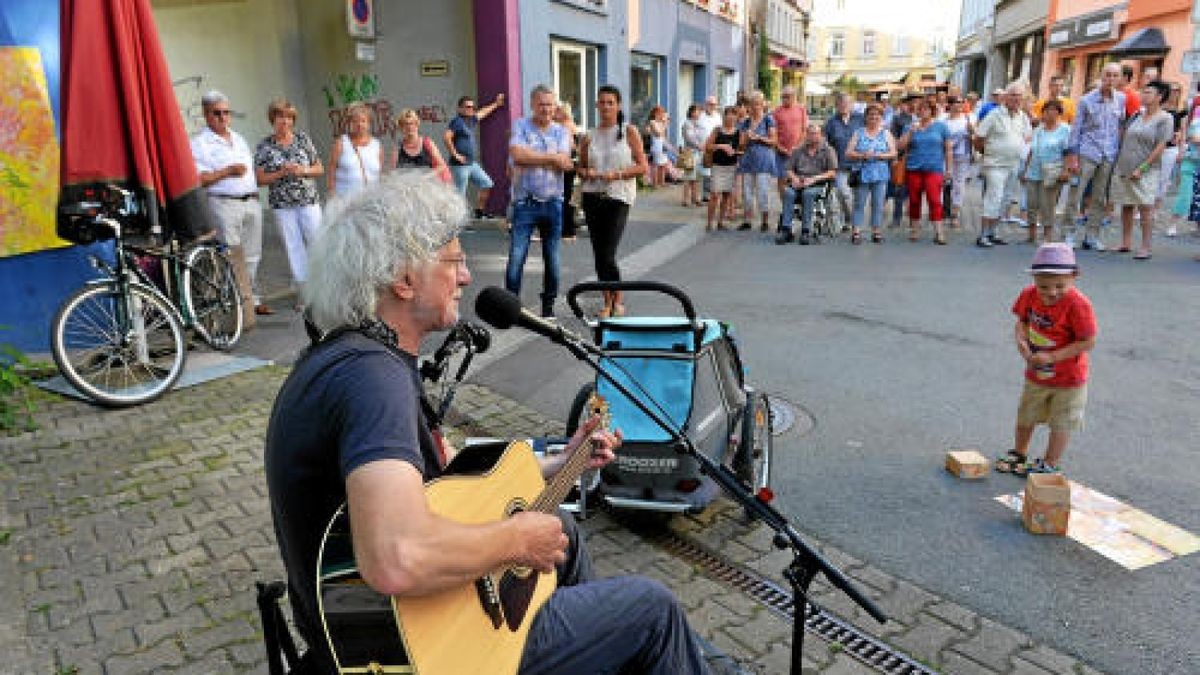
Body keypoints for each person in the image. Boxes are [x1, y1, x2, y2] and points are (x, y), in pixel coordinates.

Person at [265, 172, 711, 674]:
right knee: (652, 611)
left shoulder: (347, 358)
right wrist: (516, 540)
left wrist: (562, 463)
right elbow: (395, 556)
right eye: (454, 261)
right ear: (403, 279)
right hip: (420, 649)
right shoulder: (372, 379)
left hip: (378, 631)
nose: (465, 277)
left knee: (563, 530)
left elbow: (452, 478)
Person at [995, 243, 1097, 476]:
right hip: (1037, 373)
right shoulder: (1028, 295)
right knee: (1026, 413)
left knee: (1062, 421)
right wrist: (1021, 342)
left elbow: (1088, 342)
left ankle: (1050, 462)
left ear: (1074, 277)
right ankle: (1019, 452)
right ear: (1034, 280)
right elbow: (1021, 322)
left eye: (1059, 286)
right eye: (1043, 286)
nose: (1051, 292)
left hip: (1070, 378)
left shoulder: (1079, 305)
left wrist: (1052, 356)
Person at [191, 90, 269, 320]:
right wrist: (228, 171)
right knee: (232, 255)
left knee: (253, 255)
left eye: (227, 112)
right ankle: (236, 304)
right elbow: (199, 179)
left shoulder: (238, 138)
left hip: (250, 202)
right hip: (224, 204)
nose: (223, 117)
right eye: (217, 113)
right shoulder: (200, 143)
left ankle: (250, 299)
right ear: (206, 114)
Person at [577, 85, 648, 319]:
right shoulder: (590, 135)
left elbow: (642, 166)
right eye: (602, 102)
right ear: (596, 105)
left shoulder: (629, 131)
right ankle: (607, 300)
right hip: (592, 196)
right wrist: (586, 172)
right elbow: (581, 167)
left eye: (610, 102)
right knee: (599, 253)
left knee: (607, 253)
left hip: (618, 196)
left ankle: (618, 298)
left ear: (618, 105)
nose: (606, 106)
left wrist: (615, 175)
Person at [508, 84, 574, 318]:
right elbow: (517, 155)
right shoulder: (521, 125)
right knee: (517, 257)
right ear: (532, 105)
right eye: (541, 104)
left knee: (553, 260)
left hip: (553, 202)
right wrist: (551, 158)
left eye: (550, 104)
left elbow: (566, 164)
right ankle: (511, 307)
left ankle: (548, 307)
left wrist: (532, 158)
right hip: (524, 201)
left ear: (555, 106)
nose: (546, 109)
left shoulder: (562, 131)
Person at [254, 97, 324, 298]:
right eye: (279, 117)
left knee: (317, 242)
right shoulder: (264, 145)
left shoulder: (302, 139)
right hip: (282, 205)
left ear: (293, 120)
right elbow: (259, 179)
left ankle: (324, 286)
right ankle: (305, 293)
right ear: (272, 120)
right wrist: (281, 173)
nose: (284, 122)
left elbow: (319, 168)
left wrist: (302, 170)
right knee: (293, 247)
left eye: (288, 118)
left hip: (308, 201)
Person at [1065, 63, 1126, 250]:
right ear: (1101, 76)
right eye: (1107, 75)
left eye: (1115, 76)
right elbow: (1076, 130)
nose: (1111, 79)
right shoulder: (1086, 100)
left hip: (1108, 154)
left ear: (1119, 78)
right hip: (1087, 152)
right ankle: (1069, 234)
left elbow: (1120, 126)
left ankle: (1092, 236)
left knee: (1100, 197)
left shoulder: (1121, 99)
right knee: (1076, 194)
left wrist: (1118, 152)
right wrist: (1072, 156)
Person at [1112, 80, 1173, 260]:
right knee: (1126, 204)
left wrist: (1143, 167)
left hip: (1147, 168)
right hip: (1125, 165)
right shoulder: (1137, 115)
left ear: (1159, 97)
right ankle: (1126, 242)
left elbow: (1161, 145)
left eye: (1148, 92)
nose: (1143, 95)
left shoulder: (1165, 118)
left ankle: (1146, 246)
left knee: (1146, 207)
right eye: (1143, 92)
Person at [974, 82, 1033, 247]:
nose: (1016, 98)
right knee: (994, 196)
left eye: (1019, 95)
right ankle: (983, 234)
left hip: (1013, 164)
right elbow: (978, 137)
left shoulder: (1023, 116)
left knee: (1005, 200)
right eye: (1013, 95)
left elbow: (1028, 137)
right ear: (1006, 97)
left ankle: (993, 232)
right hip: (995, 164)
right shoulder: (994, 114)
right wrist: (987, 154)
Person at [898, 98, 952, 244]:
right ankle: (915, 230)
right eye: (920, 109)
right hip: (914, 168)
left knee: (935, 200)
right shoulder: (910, 127)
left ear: (932, 110)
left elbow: (948, 149)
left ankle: (939, 232)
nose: (923, 111)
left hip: (934, 169)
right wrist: (910, 132)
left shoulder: (941, 127)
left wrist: (949, 169)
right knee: (914, 201)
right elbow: (900, 146)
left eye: (926, 109)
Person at [444, 93, 505, 219]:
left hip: (471, 164)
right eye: (467, 107)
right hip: (460, 166)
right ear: (459, 108)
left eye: (472, 107)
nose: (470, 109)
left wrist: (497, 104)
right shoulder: (457, 122)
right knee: (459, 194)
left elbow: (483, 112)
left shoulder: (471, 120)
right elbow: (446, 137)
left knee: (487, 184)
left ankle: (479, 211)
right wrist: (455, 155)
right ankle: (457, 221)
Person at [776, 124, 837, 245]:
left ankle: (806, 230)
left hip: (818, 183)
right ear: (806, 135)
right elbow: (788, 168)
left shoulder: (828, 150)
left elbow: (832, 172)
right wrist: (794, 179)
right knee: (788, 192)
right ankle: (786, 229)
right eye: (810, 134)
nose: (812, 136)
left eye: (815, 134)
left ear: (821, 135)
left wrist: (814, 179)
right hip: (799, 181)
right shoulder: (798, 150)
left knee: (808, 194)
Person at [844, 102, 896, 244]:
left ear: (881, 117)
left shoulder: (886, 133)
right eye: (871, 114)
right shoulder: (858, 132)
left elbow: (893, 152)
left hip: (880, 173)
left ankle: (876, 231)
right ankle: (856, 231)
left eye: (877, 115)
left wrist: (880, 156)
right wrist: (862, 155)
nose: (874, 117)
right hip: (863, 173)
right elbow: (848, 152)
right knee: (859, 203)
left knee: (878, 203)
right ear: (866, 117)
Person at [1021, 99, 1071, 244]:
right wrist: (1025, 169)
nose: (1051, 113)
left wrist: (1066, 170)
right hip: (1033, 170)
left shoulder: (1065, 129)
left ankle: (1047, 235)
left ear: (1059, 113)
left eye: (1054, 110)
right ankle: (1031, 235)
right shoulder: (1038, 130)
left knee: (1047, 204)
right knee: (1031, 203)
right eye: (1047, 110)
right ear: (1043, 113)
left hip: (1052, 172)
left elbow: (1068, 152)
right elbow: (1031, 150)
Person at [736, 90, 778, 232]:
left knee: (763, 192)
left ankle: (764, 221)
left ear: (762, 105)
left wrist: (758, 138)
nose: (755, 107)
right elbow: (740, 144)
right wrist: (747, 137)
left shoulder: (768, 120)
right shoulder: (745, 122)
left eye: (758, 104)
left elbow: (773, 141)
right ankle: (747, 220)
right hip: (748, 160)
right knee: (747, 193)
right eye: (752, 104)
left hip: (764, 161)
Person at [823, 92, 864, 230]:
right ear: (836, 105)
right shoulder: (831, 122)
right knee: (844, 193)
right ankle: (850, 219)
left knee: (858, 197)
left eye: (847, 103)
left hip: (859, 164)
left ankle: (853, 221)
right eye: (841, 103)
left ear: (852, 105)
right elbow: (825, 143)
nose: (844, 106)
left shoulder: (860, 119)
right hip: (839, 164)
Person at [328, 102, 385, 198]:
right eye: (355, 121)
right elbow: (331, 169)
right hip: (344, 199)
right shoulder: (341, 142)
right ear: (350, 123)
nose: (359, 124)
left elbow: (381, 173)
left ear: (368, 123)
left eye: (363, 121)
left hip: (370, 200)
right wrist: (332, 193)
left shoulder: (377, 145)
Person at [705, 106, 742, 232]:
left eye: (733, 115)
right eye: (728, 115)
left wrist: (736, 152)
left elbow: (742, 149)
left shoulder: (738, 132)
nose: (731, 117)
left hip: (731, 167)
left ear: (736, 118)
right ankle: (709, 222)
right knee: (714, 194)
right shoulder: (717, 130)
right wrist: (721, 146)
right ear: (724, 116)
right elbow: (708, 146)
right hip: (717, 166)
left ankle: (720, 222)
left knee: (726, 195)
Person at [773, 85, 810, 204]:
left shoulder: (801, 109)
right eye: (783, 97)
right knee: (782, 179)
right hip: (781, 153)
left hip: (798, 152)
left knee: (798, 179)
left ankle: (797, 204)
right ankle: (785, 205)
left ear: (794, 97)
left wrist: (797, 147)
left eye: (787, 97)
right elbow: (773, 133)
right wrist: (780, 147)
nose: (784, 99)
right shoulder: (776, 112)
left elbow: (805, 130)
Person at [887, 93, 918, 229]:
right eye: (914, 101)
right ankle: (896, 218)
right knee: (900, 187)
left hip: (920, 156)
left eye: (918, 101)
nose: (916, 104)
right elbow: (893, 139)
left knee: (916, 189)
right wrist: (894, 157)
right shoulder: (899, 119)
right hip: (903, 157)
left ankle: (913, 218)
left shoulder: (924, 117)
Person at [393, 108, 450, 182]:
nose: (409, 127)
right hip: (408, 186)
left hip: (429, 185)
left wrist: (425, 176)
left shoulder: (427, 143)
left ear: (417, 124)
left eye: (412, 123)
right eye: (405, 124)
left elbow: (442, 166)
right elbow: (393, 172)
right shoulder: (398, 148)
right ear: (401, 127)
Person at [943, 96, 975, 227]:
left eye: (961, 102)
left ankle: (955, 213)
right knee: (945, 183)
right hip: (944, 156)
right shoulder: (943, 121)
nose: (959, 105)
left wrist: (972, 131)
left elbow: (974, 137)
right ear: (950, 105)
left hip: (963, 156)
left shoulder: (969, 119)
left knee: (959, 185)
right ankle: (943, 210)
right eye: (957, 102)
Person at [554, 102, 581, 240]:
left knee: (564, 196)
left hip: (566, 164)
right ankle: (567, 228)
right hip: (571, 164)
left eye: (556, 111)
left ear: (562, 112)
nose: (553, 113)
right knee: (567, 195)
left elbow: (567, 147)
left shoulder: (564, 126)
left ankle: (567, 230)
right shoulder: (571, 124)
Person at [697, 96, 723, 201]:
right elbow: (696, 131)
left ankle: (714, 193)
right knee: (704, 173)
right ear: (705, 104)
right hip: (702, 148)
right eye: (710, 104)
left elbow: (721, 130)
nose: (712, 106)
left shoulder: (718, 116)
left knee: (714, 172)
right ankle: (705, 194)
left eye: (714, 104)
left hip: (715, 147)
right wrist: (699, 144)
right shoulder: (700, 116)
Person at [680, 104, 705, 207]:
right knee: (689, 177)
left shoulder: (699, 123)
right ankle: (686, 200)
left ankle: (696, 198)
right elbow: (690, 137)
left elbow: (703, 135)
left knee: (697, 177)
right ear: (691, 112)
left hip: (698, 153)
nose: (699, 113)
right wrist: (699, 145)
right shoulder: (687, 123)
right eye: (697, 111)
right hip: (689, 152)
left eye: (700, 111)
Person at [646, 105, 671, 187]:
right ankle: (655, 183)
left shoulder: (661, 123)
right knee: (655, 165)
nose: (663, 115)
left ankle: (662, 182)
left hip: (662, 145)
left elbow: (663, 135)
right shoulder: (652, 122)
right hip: (656, 146)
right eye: (661, 113)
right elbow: (658, 133)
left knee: (663, 165)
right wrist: (665, 124)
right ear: (656, 113)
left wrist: (664, 123)